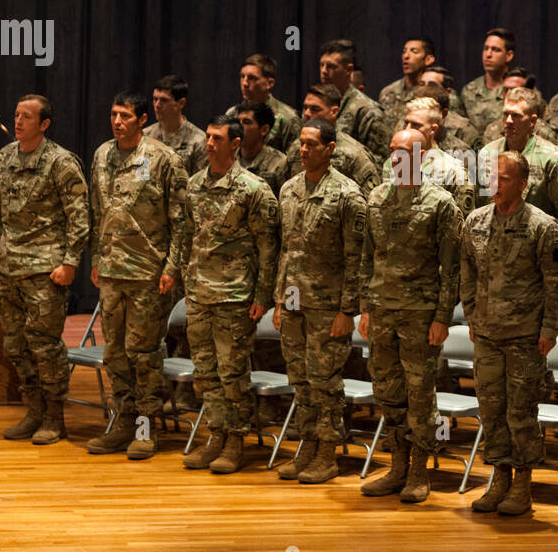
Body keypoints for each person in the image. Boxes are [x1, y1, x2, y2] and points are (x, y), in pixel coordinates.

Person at [461, 151, 558, 515]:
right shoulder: (475, 222)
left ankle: (522, 485)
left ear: (523, 185)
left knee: (520, 413)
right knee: (492, 411)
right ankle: (500, 478)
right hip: (487, 334)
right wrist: (472, 316)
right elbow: (468, 273)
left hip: (525, 337)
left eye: (503, 178)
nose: (494, 183)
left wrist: (550, 328)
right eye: (491, 176)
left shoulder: (542, 226)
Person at [358, 130, 461, 503]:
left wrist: (442, 318)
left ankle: (419, 470)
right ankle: (397, 465)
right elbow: (367, 258)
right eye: (392, 152)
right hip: (382, 309)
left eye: (404, 152)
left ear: (421, 155)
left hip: (420, 313)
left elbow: (450, 270)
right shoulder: (376, 198)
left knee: (420, 395)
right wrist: (365, 307)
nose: (395, 158)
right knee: (387, 391)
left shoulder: (440, 204)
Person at [85, 90, 188, 459]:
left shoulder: (163, 160)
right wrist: (97, 257)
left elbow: (181, 219)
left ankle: (146, 429)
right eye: (113, 114)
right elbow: (98, 213)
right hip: (112, 271)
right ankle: (123, 423)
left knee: (143, 355)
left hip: (148, 272)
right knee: (114, 354)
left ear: (142, 120)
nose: (117, 122)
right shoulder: (101, 155)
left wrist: (172, 267)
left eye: (125, 116)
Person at [0, 94, 90, 445]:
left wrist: (70, 262)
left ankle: (54, 417)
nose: (18, 121)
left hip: (46, 271)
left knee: (44, 346)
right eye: (16, 115)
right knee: (16, 346)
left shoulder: (61, 163)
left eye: (26, 117)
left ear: (44, 124)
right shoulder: (4, 157)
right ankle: (32, 411)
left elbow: (80, 216)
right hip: (10, 266)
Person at [181, 115, 279, 472]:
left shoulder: (253, 189)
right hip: (200, 292)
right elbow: (186, 237)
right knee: (205, 373)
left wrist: (262, 296)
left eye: (217, 138)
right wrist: (186, 283)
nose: (209, 143)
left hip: (235, 295)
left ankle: (235, 441)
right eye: (207, 137)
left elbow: (268, 247)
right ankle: (215, 435)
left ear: (235, 144)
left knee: (232, 372)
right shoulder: (194, 185)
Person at [273, 117, 367, 483]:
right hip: (295, 302)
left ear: (330, 149)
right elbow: (287, 251)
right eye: (301, 142)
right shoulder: (289, 190)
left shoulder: (347, 195)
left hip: (328, 306)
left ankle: (327, 455)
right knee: (300, 380)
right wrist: (281, 300)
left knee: (325, 382)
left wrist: (348, 310)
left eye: (312, 144)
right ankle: (307, 447)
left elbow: (354, 258)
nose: (303, 149)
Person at [477, 87, 558, 245]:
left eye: (516, 116)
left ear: (532, 121)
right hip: (494, 249)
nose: (509, 121)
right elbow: (480, 208)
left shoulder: (553, 160)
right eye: (506, 114)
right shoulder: (487, 154)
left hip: (536, 248)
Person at [284, 84, 380, 196]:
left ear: (334, 112)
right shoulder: (297, 148)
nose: (307, 114)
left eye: (315, 109)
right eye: (305, 108)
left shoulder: (355, 154)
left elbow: (372, 200)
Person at [395, 96, 478, 218]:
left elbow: (463, 222)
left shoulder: (453, 172)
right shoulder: (396, 162)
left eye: (415, 125)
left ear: (433, 129)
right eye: (406, 123)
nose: (407, 129)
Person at [318, 39, 391, 164]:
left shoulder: (368, 110)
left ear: (348, 69)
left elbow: (378, 162)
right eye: (321, 65)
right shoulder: (316, 104)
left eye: (331, 66)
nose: (324, 71)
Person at [144, 74, 209, 175]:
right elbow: (141, 176)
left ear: (181, 103)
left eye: (164, 100)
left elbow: (200, 182)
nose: (157, 105)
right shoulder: (145, 136)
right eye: (155, 99)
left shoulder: (198, 140)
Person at [461, 28, 518, 136]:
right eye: (486, 48)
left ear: (509, 55)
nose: (488, 54)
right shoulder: (469, 90)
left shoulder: (517, 89)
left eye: (495, 50)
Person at [238, 53, 300, 151]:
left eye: (252, 78)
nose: (245, 83)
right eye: (242, 77)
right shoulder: (233, 113)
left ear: (269, 83)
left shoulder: (288, 118)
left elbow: (295, 159)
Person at [479, 66, 557, 144]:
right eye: (506, 90)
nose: (508, 94)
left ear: (529, 92)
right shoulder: (492, 130)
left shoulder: (544, 133)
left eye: (515, 90)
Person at [417, 69, 482, 151]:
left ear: (447, 92)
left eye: (432, 86)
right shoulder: (407, 122)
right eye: (421, 84)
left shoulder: (463, 129)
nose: (425, 89)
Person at [234, 101, 288, 197]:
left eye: (247, 122)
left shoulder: (279, 163)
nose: (239, 127)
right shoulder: (228, 156)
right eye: (238, 122)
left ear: (264, 130)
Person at [378, 36, 436, 124]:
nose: (406, 56)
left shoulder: (435, 92)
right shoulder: (388, 92)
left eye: (414, 51)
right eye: (404, 51)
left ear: (428, 60)